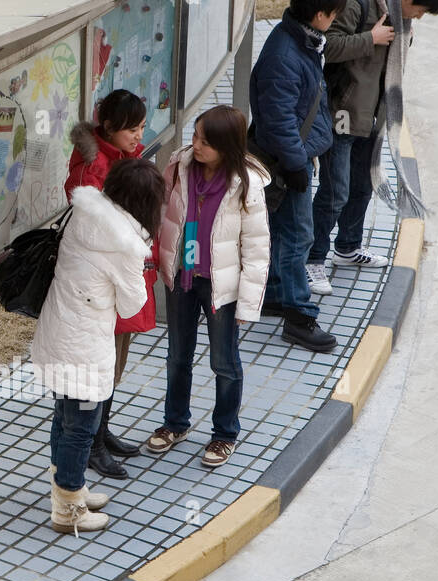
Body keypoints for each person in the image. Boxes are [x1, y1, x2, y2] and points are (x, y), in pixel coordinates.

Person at [33, 157, 163, 532]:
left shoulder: (82, 213)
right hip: (85, 347)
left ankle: (67, 491)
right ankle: (69, 508)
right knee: (80, 428)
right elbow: (133, 304)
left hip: (60, 333)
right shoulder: (125, 247)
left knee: (64, 415)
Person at [143, 105, 270, 469]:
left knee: (224, 362)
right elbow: (165, 211)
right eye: (195, 136)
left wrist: (247, 304)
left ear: (227, 146)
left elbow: (258, 250)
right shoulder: (181, 167)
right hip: (183, 279)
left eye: (205, 141)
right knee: (177, 357)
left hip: (221, 288)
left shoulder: (247, 184)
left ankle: (225, 432)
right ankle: (175, 424)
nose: (195, 145)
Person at [309, 0, 438, 290]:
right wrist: (369, 39)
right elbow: (325, 46)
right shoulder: (358, 5)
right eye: (421, 11)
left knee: (363, 186)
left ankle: (348, 247)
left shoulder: (402, 17)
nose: (420, 18)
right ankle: (312, 259)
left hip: (371, 117)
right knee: (334, 192)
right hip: (342, 114)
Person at [249, 0, 345, 353]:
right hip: (287, 163)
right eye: (335, 13)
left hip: (296, 157)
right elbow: (279, 119)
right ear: (321, 14)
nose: (336, 19)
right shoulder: (285, 55)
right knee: (297, 236)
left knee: (284, 231)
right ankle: (299, 317)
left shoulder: (301, 40)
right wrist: (294, 166)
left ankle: (274, 293)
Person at [63, 88, 157, 481]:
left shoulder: (121, 157)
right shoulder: (93, 168)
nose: (140, 135)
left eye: (140, 127)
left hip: (120, 278)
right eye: (132, 129)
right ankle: (92, 446)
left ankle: (102, 432)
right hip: (101, 288)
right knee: (101, 366)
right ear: (110, 127)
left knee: (115, 363)